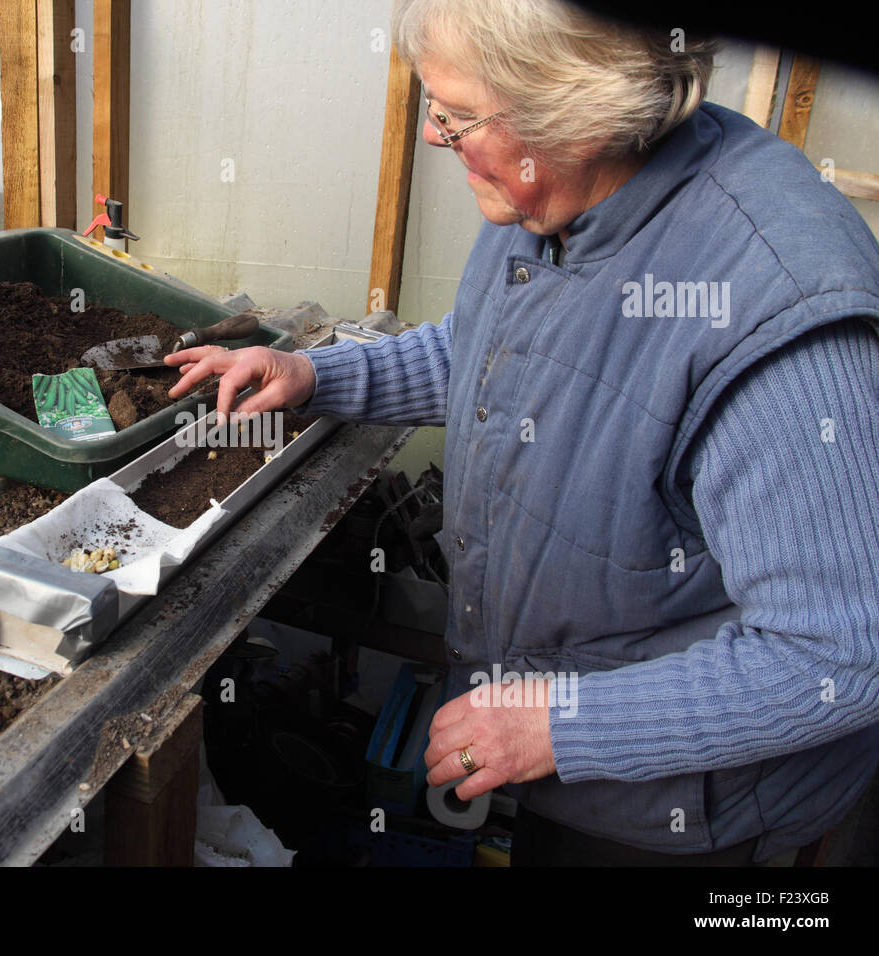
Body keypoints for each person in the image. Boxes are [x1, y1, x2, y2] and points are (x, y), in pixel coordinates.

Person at [163, 0, 879, 865]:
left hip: (691, 821)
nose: (433, 135)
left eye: (457, 116)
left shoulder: (778, 312)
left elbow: (837, 653)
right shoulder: (557, 195)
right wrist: (317, 376)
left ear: (576, 108)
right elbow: (489, 347)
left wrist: (558, 725)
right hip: (574, 773)